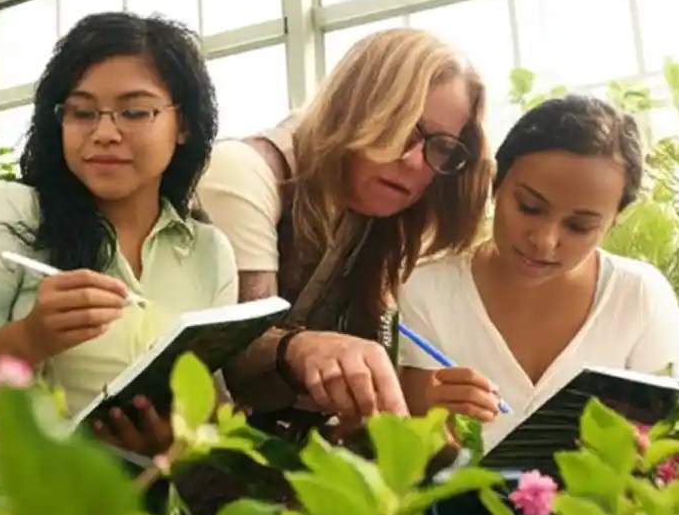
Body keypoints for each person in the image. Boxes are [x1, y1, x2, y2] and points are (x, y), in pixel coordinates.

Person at [0, 11, 233, 456]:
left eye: (135, 112)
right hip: (11, 513)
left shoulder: (207, 251)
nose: (104, 133)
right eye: (82, 112)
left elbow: (214, 412)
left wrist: (175, 440)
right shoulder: (14, 216)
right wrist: (29, 340)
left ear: (184, 125)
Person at [195, 28, 493, 430]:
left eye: (440, 147)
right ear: (353, 106)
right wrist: (300, 350)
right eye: (401, 125)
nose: (413, 160)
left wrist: (416, 404)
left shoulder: (380, 219)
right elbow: (234, 359)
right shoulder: (246, 172)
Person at [397, 93, 679, 450]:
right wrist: (416, 410)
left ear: (612, 224)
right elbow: (405, 453)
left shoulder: (640, 297)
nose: (545, 241)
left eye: (579, 227)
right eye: (530, 207)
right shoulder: (425, 289)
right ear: (496, 185)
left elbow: (666, 443)